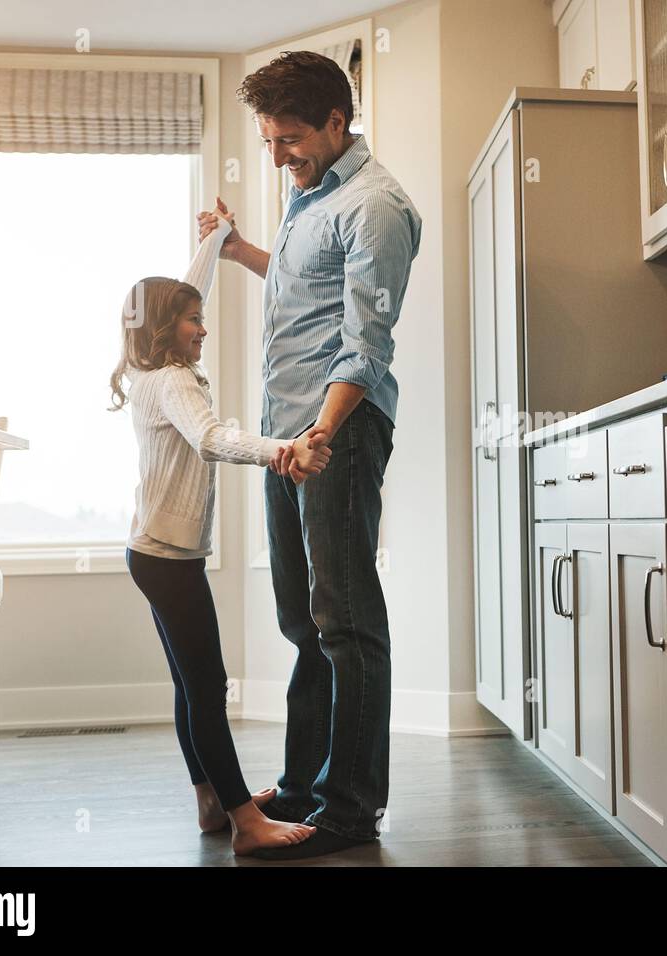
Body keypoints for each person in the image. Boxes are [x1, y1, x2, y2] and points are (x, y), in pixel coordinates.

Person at [197, 50, 421, 859]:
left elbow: (365, 344)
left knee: (347, 620)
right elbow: (300, 291)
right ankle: (300, 787)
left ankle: (350, 811)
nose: (278, 154)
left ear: (337, 121)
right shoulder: (312, 198)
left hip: (336, 435)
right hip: (285, 438)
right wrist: (239, 250)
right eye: (268, 141)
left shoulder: (377, 206)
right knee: (304, 618)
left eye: (289, 139)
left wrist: (321, 435)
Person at [109, 263, 332, 856]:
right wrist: (282, 449)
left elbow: (180, 294)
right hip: (167, 558)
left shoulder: (149, 370)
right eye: (193, 320)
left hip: (152, 551)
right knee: (208, 689)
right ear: (166, 327)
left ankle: (210, 802)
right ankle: (244, 822)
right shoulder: (176, 381)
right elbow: (210, 438)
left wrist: (214, 241)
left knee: (191, 685)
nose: (202, 328)